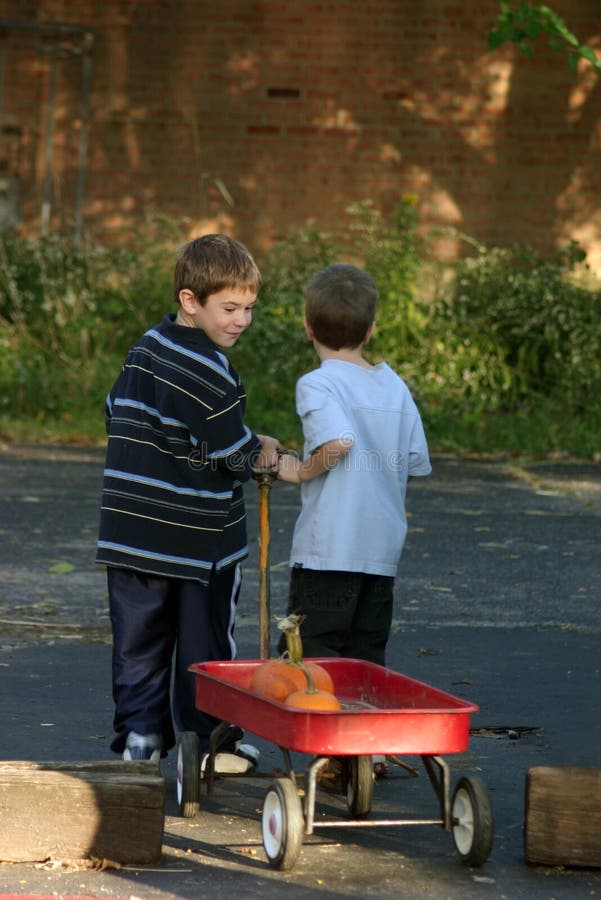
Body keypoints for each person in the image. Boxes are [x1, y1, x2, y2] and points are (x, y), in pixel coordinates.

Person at [96, 233, 280, 771]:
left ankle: (140, 735)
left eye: (248, 307)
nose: (241, 320)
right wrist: (263, 451)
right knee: (204, 644)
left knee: (138, 642)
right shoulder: (210, 371)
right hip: (199, 544)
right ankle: (209, 739)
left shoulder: (144, 348)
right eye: (229, 307)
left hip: (131, 535)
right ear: (189, 300)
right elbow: (233, 453)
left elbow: (114, 410)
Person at [277, 262, 431, 668]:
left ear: (309, 327)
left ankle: (313, 734)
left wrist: (300, 470)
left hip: (329, 552)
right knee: (364, 666)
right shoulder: (394, 386)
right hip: (379, 556)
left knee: (309, 662)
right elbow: (414, 462)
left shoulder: (319, 383)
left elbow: (338, 441)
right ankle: (357, 732)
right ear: (369, 330)